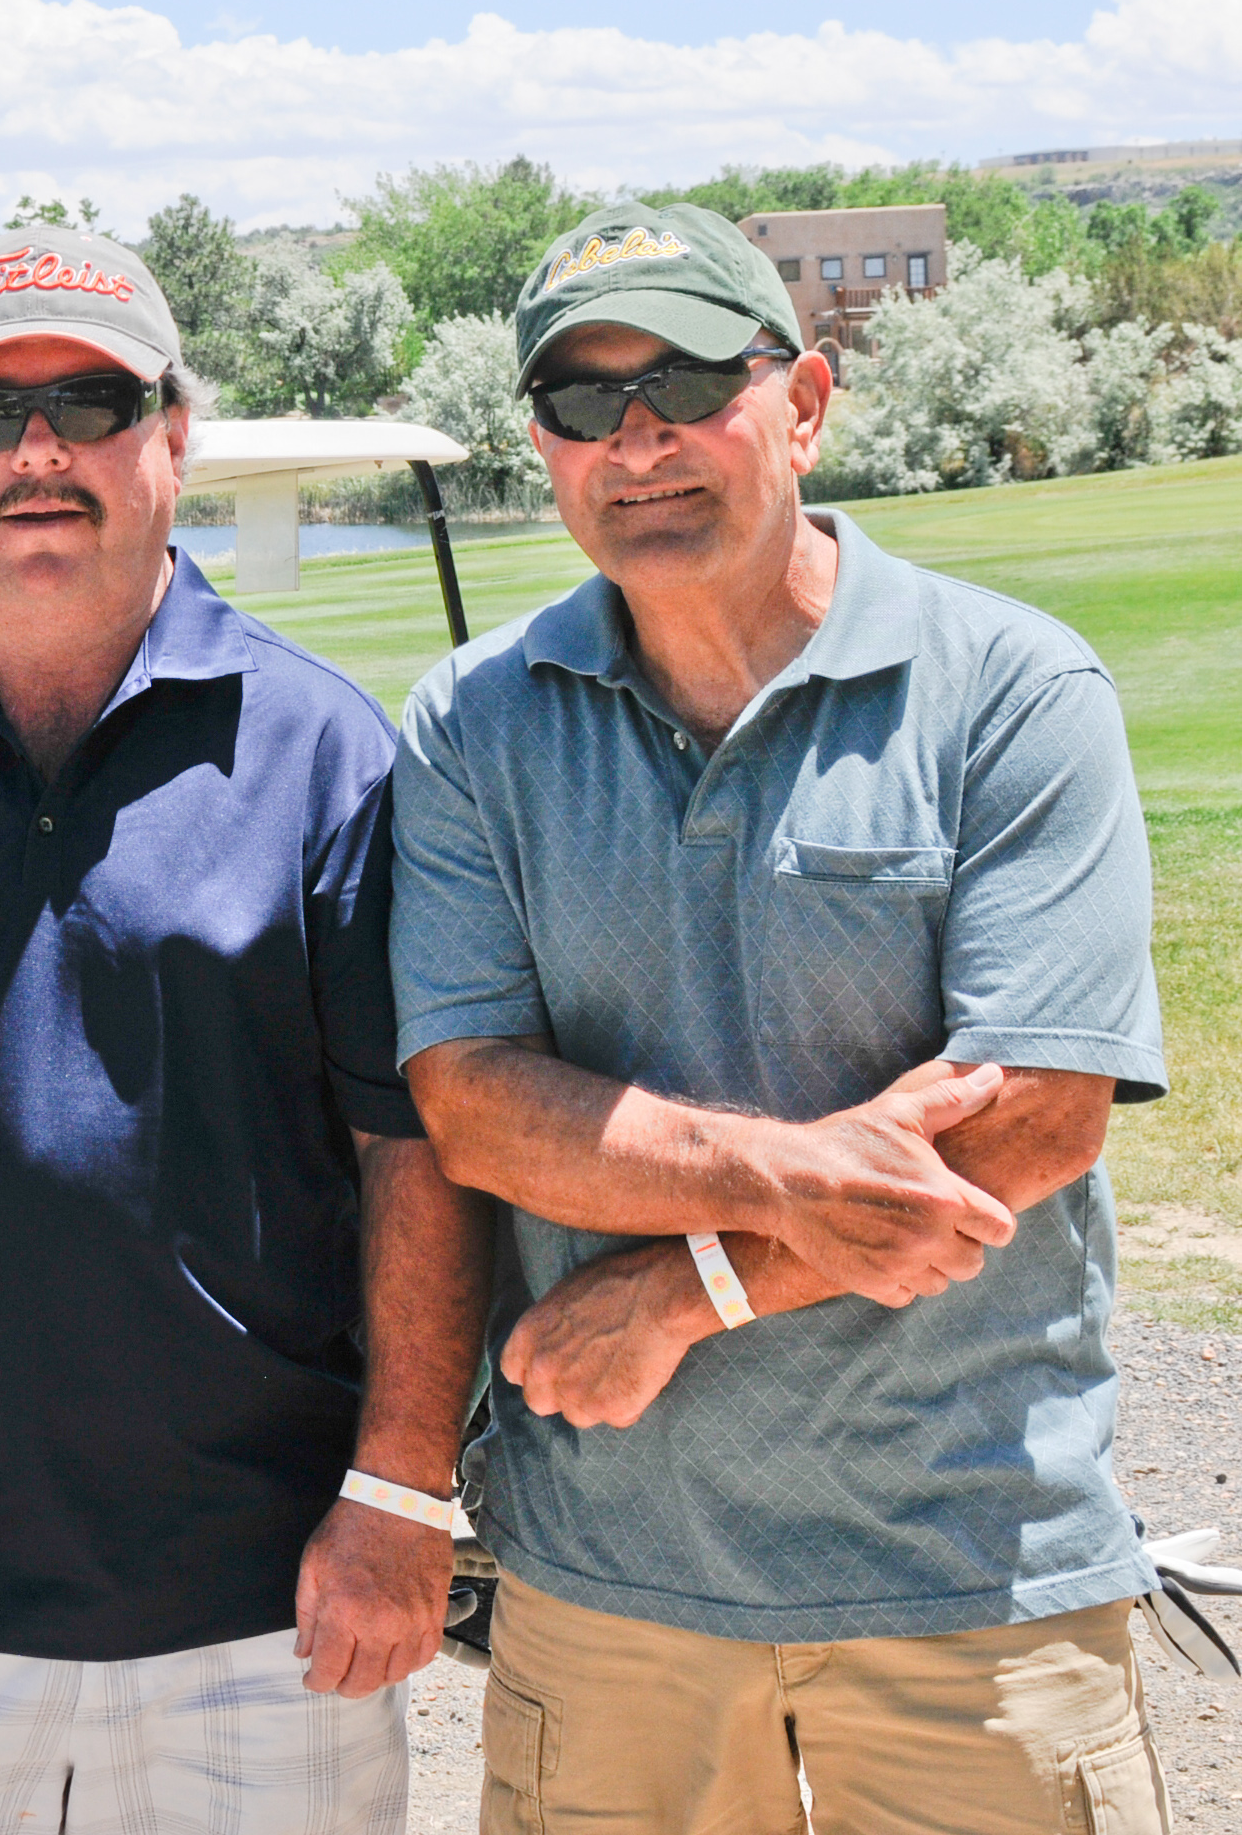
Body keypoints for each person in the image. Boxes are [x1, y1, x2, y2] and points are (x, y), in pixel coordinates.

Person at [0, 228, 491, 1835]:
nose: (37, 450)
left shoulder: (324, 750)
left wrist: (401, 1493)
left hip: (263, 1599)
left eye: (91, 401)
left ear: (171, 438)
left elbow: (415, 1153)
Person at [390, 202, 1175, 1833]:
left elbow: (1030, 1123)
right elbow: (472, 1100)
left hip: (976, 1576)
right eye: (582, 402)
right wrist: (795, 1172)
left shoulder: (1013, 692)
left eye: (684, 383)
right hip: (609, 1593)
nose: (637, 439)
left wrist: (684, 1288)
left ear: (803, 402)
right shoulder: (473, 724)